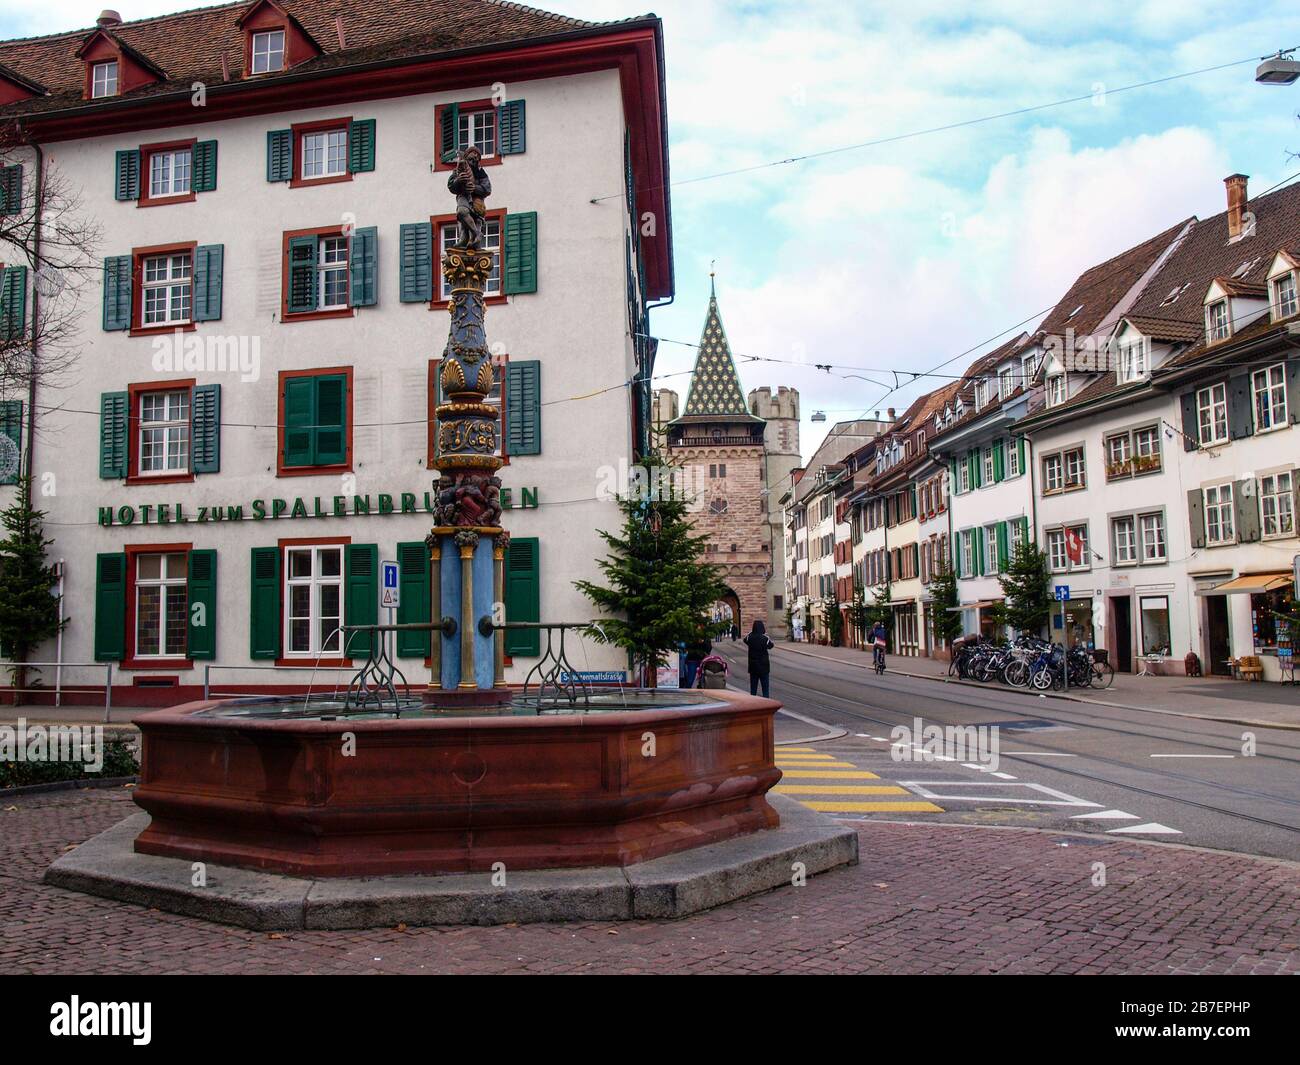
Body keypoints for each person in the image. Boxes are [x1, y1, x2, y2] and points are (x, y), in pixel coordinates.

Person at [743, 619, 774, 698]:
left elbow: (745, 640)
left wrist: (751, 632)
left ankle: (753, 705)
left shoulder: (750, 637)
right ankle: (766, 704)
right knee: (765, 689)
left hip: (753, 666)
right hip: (764, 666)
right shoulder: (765, 638)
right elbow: (771, 646)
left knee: (753, 689)